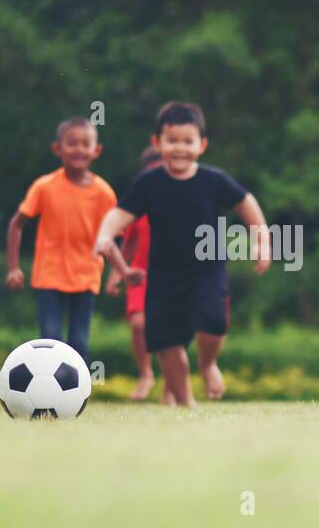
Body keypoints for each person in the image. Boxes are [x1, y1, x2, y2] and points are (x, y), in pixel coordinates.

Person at [94, 101, 269, 406]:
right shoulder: (149, 183)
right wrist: (104, 235)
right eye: (171, 140)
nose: (179, 148)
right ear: (157, 142)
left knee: (213, 322)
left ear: (201, 145)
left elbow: (246, 203)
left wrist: (261, 241)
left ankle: (207, 363)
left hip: (207, 268)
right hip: (162, 274)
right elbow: (120, 214)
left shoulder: (213, 180)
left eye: (187, 141)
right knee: (165, 339)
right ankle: (186, 404)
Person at [5, 117, 118, 365]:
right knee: (50, 342)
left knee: (79, 343)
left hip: (86, 275)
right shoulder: (44, 187)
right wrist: (13, 267)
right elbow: (17, 223)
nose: (79, 149)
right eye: (72, 143)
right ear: (58, 149)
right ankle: (47, 399)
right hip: (50, 275)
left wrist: (118, 273)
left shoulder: (103, 193)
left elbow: (108, 238)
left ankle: (77, 398)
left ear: (96, 150)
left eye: (85, 144)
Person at [104, 146, 175, 402]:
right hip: (140, 275)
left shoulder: (183, 202)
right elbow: (129, 243)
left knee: (171, 332)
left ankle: (171, 385)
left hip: (173, 277)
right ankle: (146, 374)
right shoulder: (139, 205)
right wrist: (116, 274)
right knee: (139, 324)